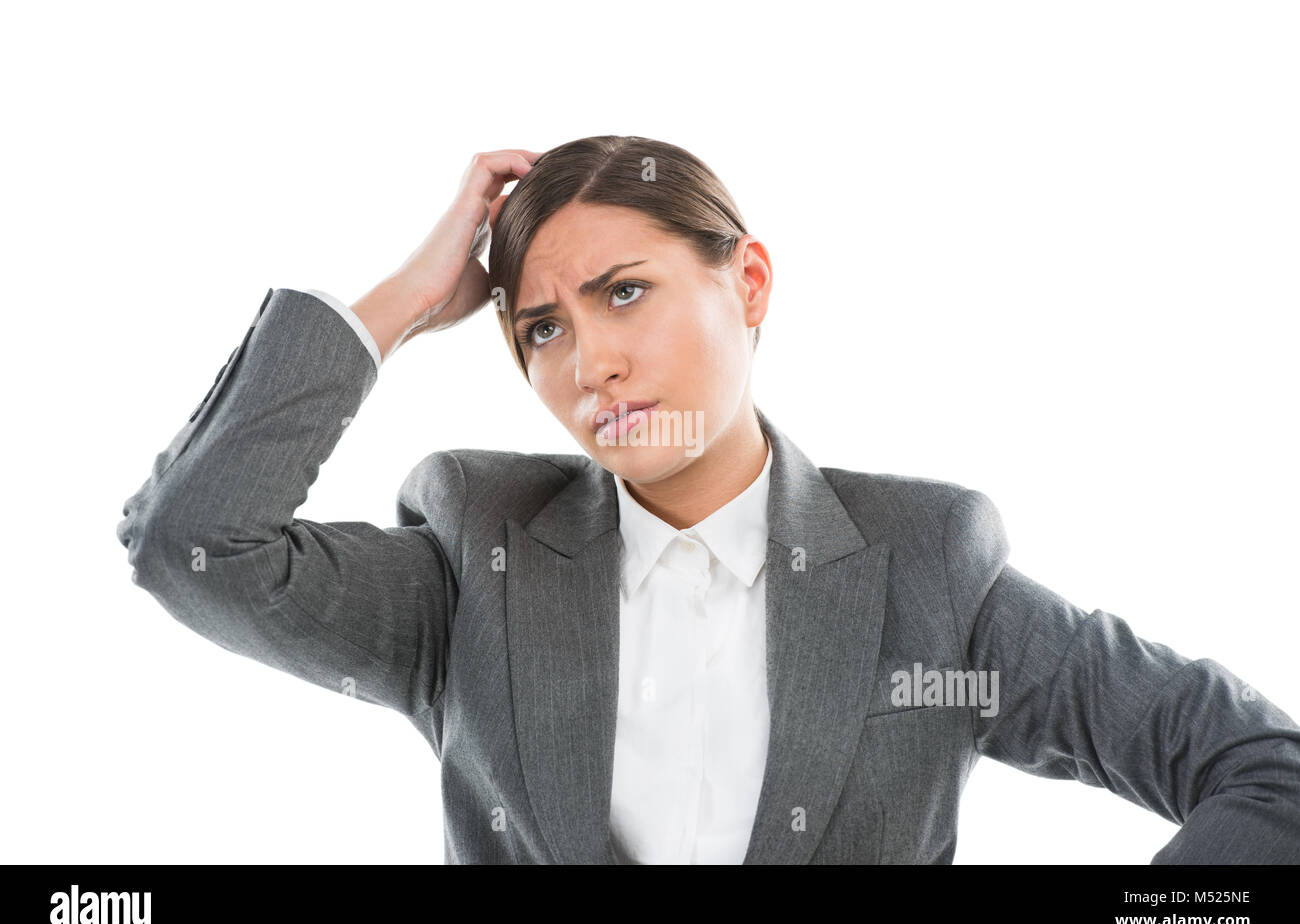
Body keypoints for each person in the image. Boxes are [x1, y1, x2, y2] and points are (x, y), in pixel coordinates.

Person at [117, 135, 1300, 864]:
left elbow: (1263, 769)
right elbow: (190, 545)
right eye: (542, 327)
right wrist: (402, 305)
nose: (588, 365)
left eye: (623, 293)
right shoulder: (473, 564)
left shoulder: (925, 569)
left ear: (747, 281)